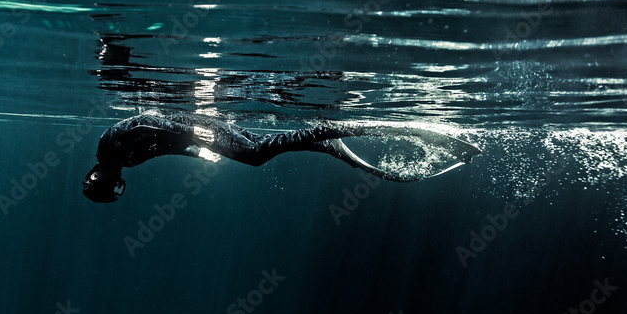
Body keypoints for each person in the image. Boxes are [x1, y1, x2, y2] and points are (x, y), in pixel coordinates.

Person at [82, 112, 480, 203]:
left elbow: (150, 122)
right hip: (196, 129)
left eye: (112, 187)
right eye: (120, 189)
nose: (120, 183)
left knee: (255, 155)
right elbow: (167, 148)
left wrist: (196, 135)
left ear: (97, 177)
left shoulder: (110, 147)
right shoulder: (126, 163)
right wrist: (198, 152)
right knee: (258, 151)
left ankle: (334, 129)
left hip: (194, 120)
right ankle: (324, 141)